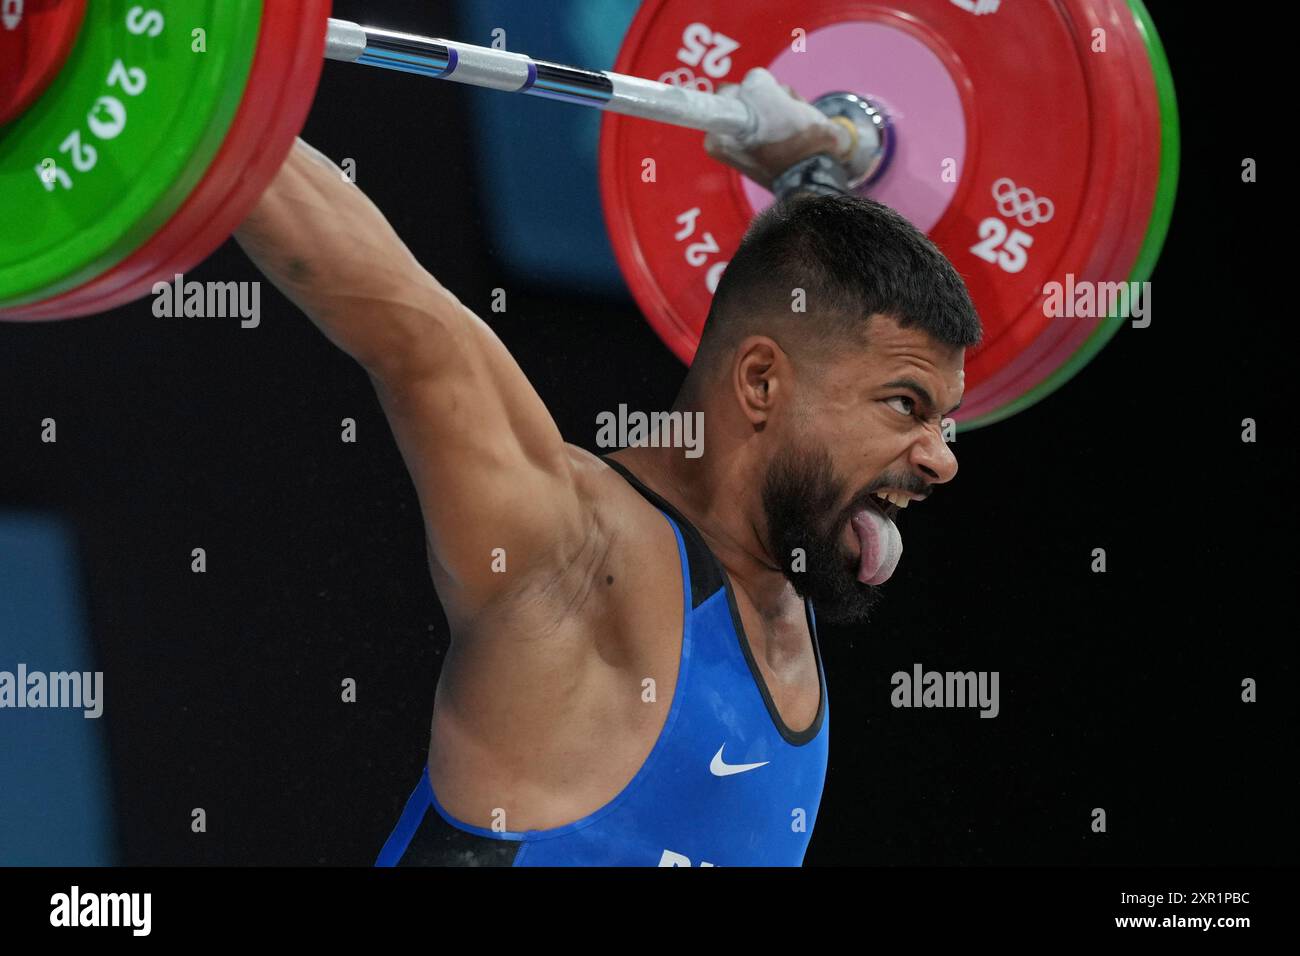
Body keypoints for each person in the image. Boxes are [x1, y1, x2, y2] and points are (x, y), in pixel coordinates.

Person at [233, 69, 980, 866]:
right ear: (760, 383)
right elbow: (411, 333)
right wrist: (211, 103)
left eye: (947, 421)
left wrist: (810, 170)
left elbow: (813, 307)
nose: (942, 460)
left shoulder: (779, 560)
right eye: (907, 406)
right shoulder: (578, 559)